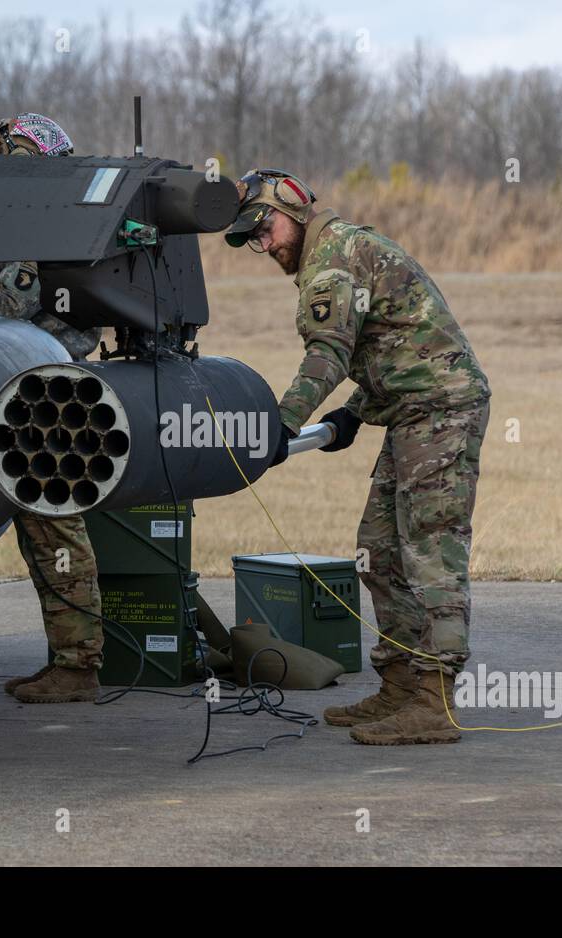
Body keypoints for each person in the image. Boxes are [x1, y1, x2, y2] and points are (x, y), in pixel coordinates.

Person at [225, 168, 490, 745]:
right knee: (378, 549)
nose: (261, 245)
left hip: (439, 411)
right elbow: (397, 343)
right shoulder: (343, 250)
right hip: (410, 409)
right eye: (250, 238)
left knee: (429, 550)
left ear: (292, 208)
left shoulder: (332, 261)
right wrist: (354, 413)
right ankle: (399, 685)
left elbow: (327, 355)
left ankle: (434, 700)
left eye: (263, 228)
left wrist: (283, 422)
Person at [0, 113, 103, 703]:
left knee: (54, 522)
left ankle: (78, 666)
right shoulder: (65, 212)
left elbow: (10, 307)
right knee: (42, 525)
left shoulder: (40, 220)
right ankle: (69, 659)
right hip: (44, 378)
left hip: (49, 387)